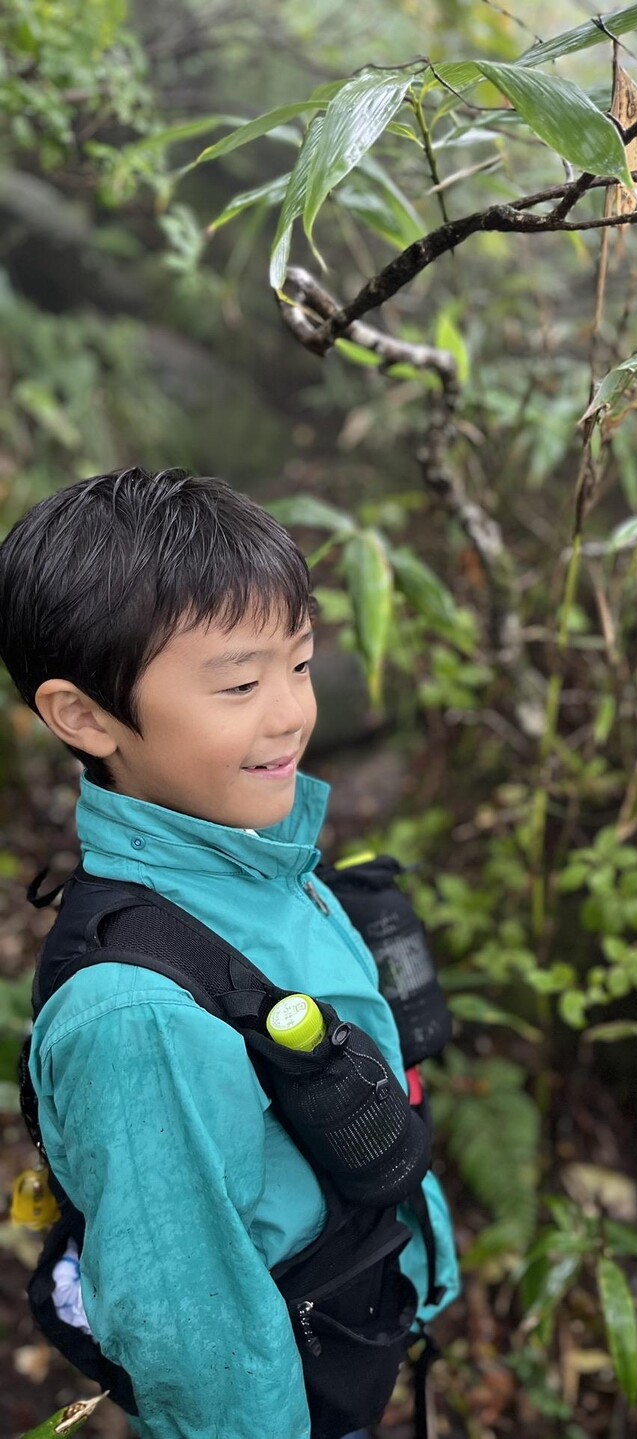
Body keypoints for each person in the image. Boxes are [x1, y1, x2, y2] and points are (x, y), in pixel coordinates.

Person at [0, 467, 459, 1439]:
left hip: (349, 1310)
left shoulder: (255, 849)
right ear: (84, 715)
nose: (290, 710)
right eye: (241, 683)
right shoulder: (138, 1017)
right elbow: (190, 1332)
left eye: (297, 663)